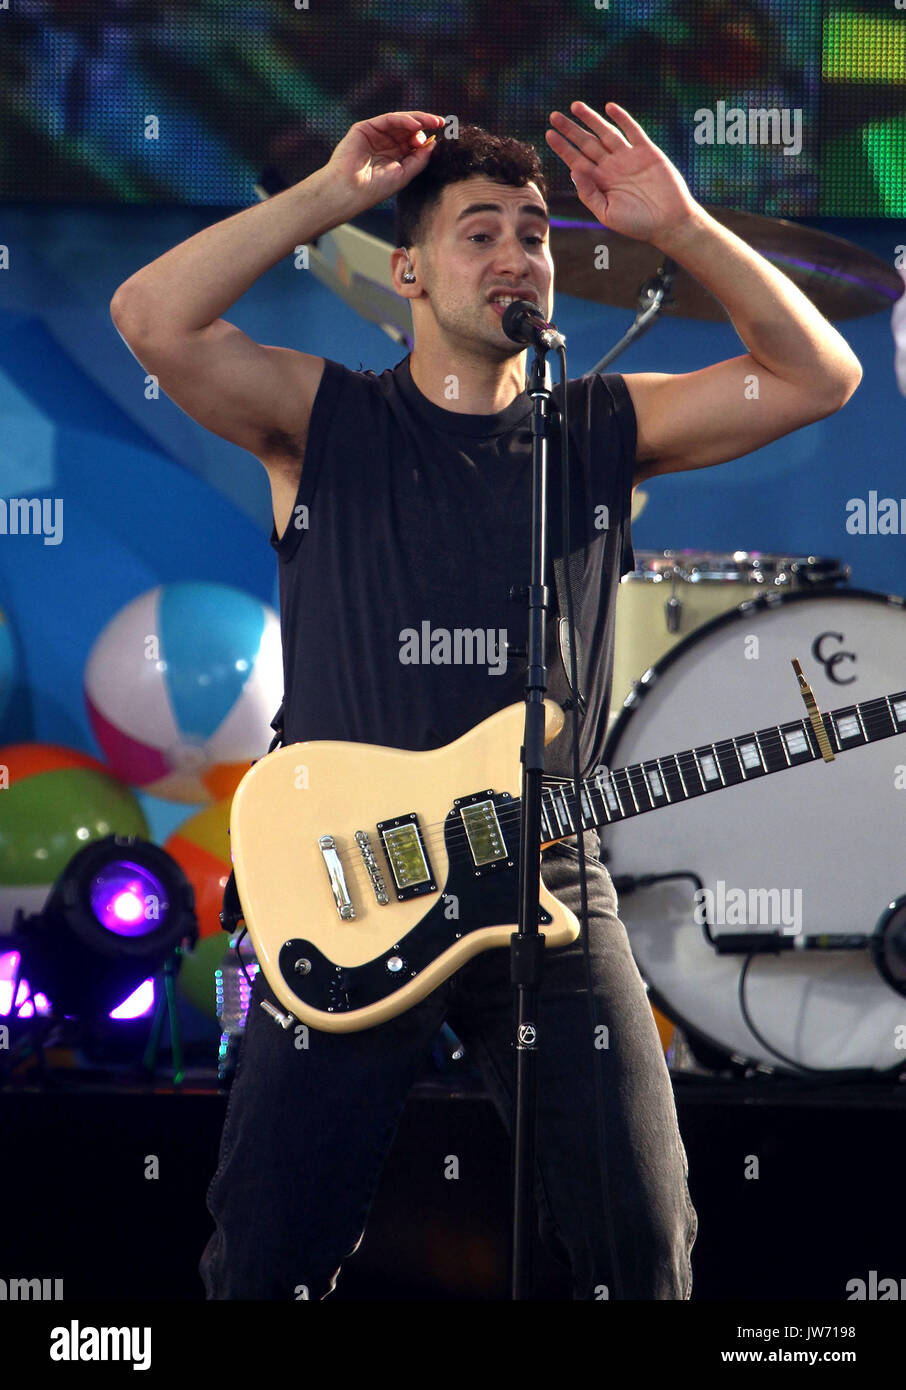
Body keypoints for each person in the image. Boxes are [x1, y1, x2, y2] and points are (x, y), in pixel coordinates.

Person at [109, 102, 862, 1300]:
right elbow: (151, 317)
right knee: (266, 1260)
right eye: (479, 234)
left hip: (550, 877)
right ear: (407, 270)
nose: (518, 255)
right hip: (345, 876)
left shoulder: (602, 425)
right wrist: (330, 195)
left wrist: (683, 225)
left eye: (535, 234)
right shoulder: (324, 419)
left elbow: (822, 376)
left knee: (645, 1249)